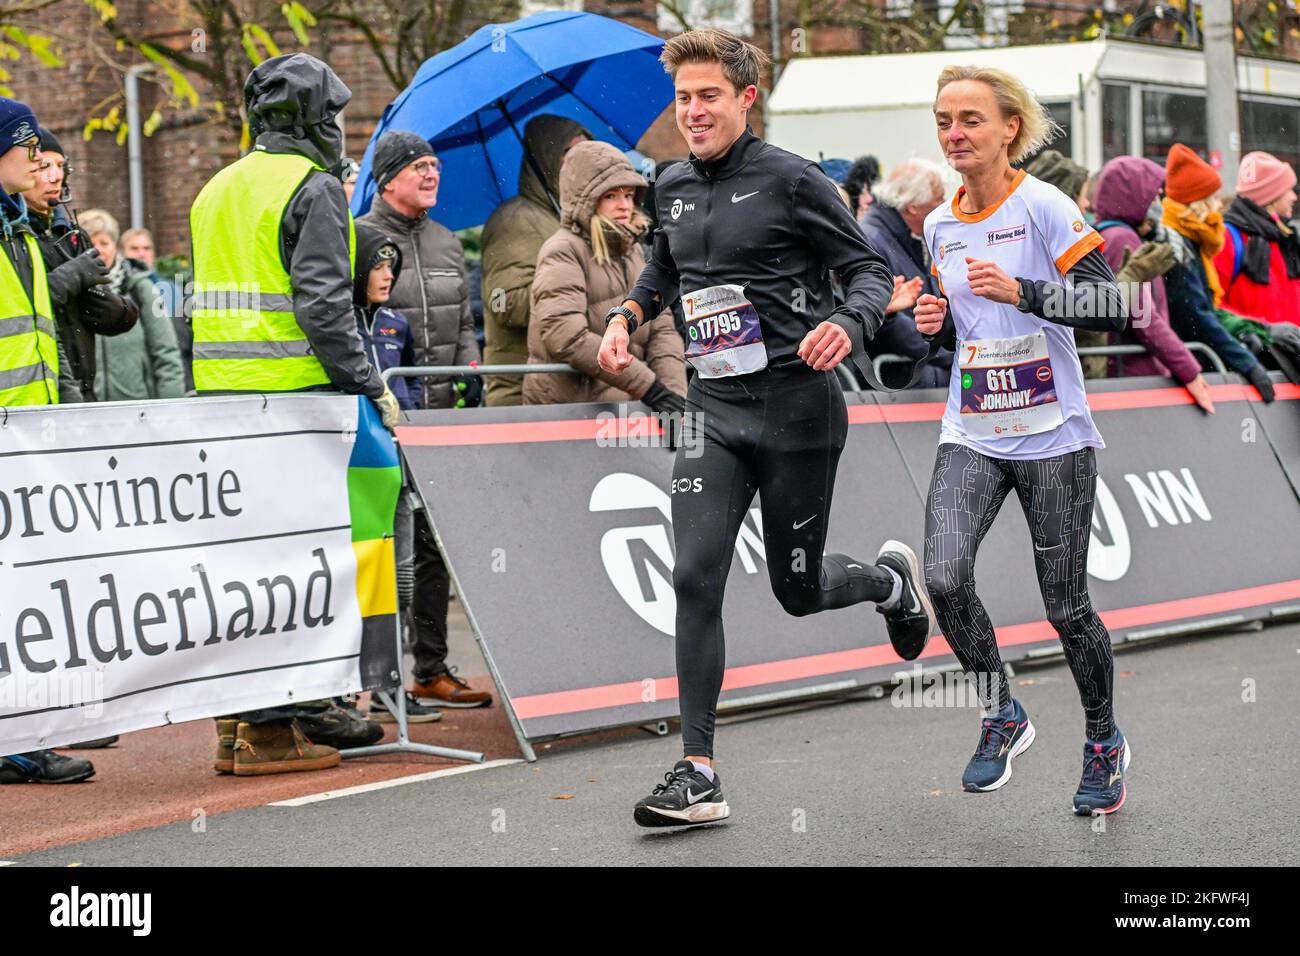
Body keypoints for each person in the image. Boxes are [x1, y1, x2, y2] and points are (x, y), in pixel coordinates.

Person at [599, 28, 934, 828]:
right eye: (683, 99)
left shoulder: (794, 181)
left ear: (746, 98)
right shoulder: (669, 181)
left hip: (797, 409)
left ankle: (890, 583)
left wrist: (849, 328)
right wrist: (627, 313)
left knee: (796, 589)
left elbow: (868, 273)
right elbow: (665, 269)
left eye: (708, 96)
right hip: (709, 411)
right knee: (694, 575)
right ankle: (698, 771)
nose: (693, 112)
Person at [913, 65, 1132, 815]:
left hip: (1054, 435)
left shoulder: (1044, 206)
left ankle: (1103, 739)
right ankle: (1001, 711)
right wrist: (933, 328)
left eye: (970, 119)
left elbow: (1113, 304)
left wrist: (1026, 291)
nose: (954, 134)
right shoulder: (937, 225)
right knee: (942, 578)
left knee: (1067, 608)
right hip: (972, 429)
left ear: (1010, 128)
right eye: (944, 120)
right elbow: (961, 330)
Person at [190, 53, 397, 775]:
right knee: (299, 568)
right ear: (311, 117)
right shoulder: (311, 188)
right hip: (296, 406)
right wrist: (368, 384)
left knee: (245, 568)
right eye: (332, 115)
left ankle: (236, 723)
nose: (338, 128)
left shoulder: (215, 188)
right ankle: (274, 735)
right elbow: (322, 303)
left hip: (219, 403)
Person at [358, 131, 493, 712]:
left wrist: (471, 362)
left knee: (436, 545)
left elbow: (464, 315)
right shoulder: (360, 237)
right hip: (388, 416)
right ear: (388, 179)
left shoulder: (443, 241)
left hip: (442, 415)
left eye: (436, 165)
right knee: (393, 547)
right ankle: (379, 677)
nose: (433, 175)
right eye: (419, 167)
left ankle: (430, 668)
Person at [0, 96, 98, 785]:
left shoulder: (23, 234)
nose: (37, 161)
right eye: (24, 147)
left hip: (29, 444)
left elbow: (45, 344)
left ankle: (20, 736)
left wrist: (66, 420)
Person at [524, 140, 686, 408]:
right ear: (586, 200)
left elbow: (662, 331)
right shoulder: (562, 250)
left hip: (621, 412)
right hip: (567, 413)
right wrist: (649, 387)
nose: (624, 205)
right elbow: (566, 337)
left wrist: (675, 399)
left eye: (628, 195)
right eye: (611, 196)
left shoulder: (633, 250)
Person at [480, 115, 592, 406]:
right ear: (548, 158)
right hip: (521, 391)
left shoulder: (565, 219)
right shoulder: (516, 220)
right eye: (572, 153)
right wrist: (581, 293)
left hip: (561, 386)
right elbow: (504, 303)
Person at [1090, 156, 1216, 412]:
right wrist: (1188, 369)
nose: (1158, 205)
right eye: (1154, 196)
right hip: (1134, 377)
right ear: (1133, 197)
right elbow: (1143, 316)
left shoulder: (1108, 235)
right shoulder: (1122, 238)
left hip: (1130, 374)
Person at [22, 126, 138, 401]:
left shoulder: (73, 234)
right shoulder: (15, 235)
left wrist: (119, 310)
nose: (56, 176)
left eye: (61, 165)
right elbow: (21, 308)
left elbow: (104, 320)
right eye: (44, 166)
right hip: (41, 394)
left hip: (84, 392)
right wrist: (69, 278)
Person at [1157, 144, 1275, 403]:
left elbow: (1206, 311)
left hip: (1198, 364)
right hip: (1195, 370)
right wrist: (1247, 363)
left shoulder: (1190, 240)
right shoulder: (1177, 247)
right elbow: (1197, 318)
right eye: (1214, 197)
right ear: (1198, 202)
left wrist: (1253, 329)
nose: (1219, 205)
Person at [859, 158, 953, 388]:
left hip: (921, 365)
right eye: (939, 198)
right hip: (904, 376)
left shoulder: (907, 235)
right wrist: (951, 355)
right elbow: (885, 324)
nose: (945, 204)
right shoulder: (872, 241)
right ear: (912, 206)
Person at [77, 209, 184, 402]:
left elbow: (166, 353)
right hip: (86, 411)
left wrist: (171, 408)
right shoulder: (71, 292)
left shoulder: (140, 288)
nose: (98, 250)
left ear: (115, 247)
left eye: (104, 243)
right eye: (91, 243)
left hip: (138, 408)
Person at [1216, 151, 1300, 327]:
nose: (1294, 196)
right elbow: (1214, 307)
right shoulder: (1228, 239)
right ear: (1271, 197)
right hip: (1254, 352)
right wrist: (1261, 333)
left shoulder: (1286, 238)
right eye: (1288, 190)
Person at [122, 225, 191, 390]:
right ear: (122, 252)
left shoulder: (171, 289)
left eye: (146, 248)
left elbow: (181, 338)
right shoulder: (120, 288)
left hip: (169, 369)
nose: (141, 253)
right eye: (134, 248)